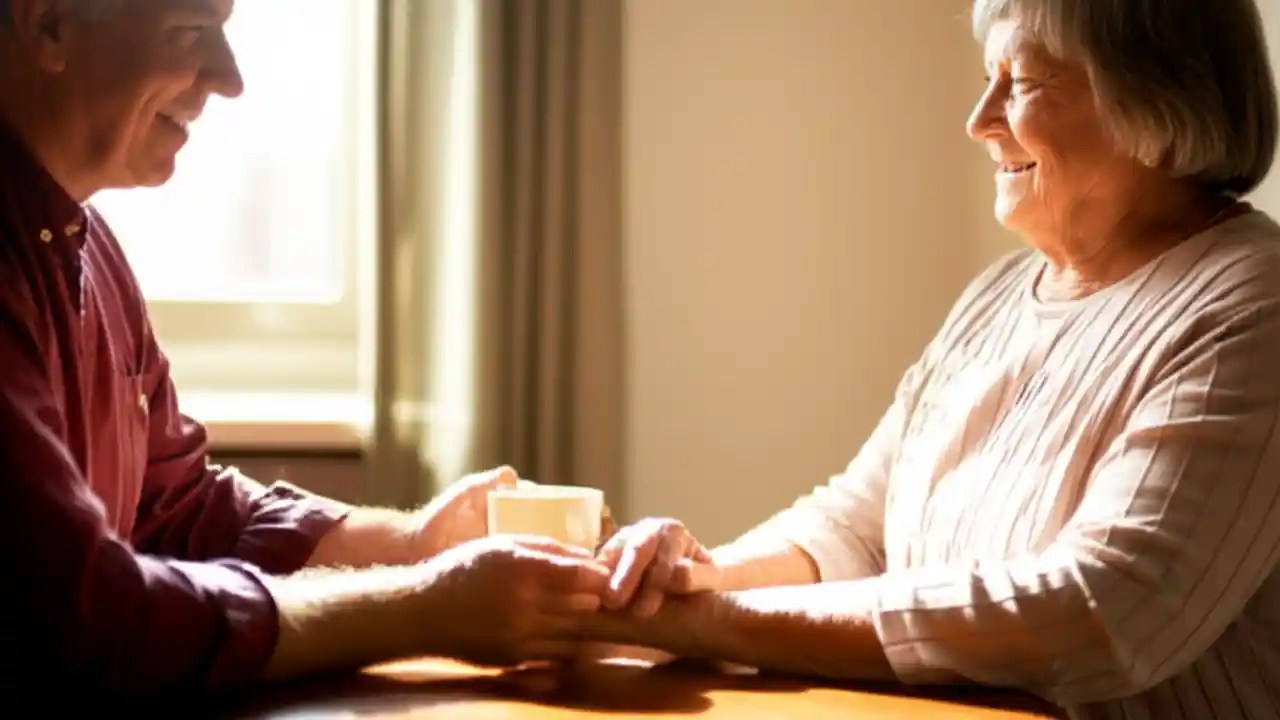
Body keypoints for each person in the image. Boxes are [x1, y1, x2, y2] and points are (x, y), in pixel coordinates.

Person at [588, 0, 1280, 718]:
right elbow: (860, 530)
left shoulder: (1253, 305)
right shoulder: (998, 296)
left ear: (1159, 93)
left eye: (1023, 83)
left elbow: (1098, 611)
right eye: (988, 78)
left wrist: (708, 623)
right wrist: (689, 582)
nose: (979, 121)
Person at [0, 0, 609, 702]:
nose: (229, 79)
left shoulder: (87, 246)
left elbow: (176, 512)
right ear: (48, 23)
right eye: (190, 31)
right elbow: (88, 617)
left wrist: (421, 542)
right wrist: (424, 607)